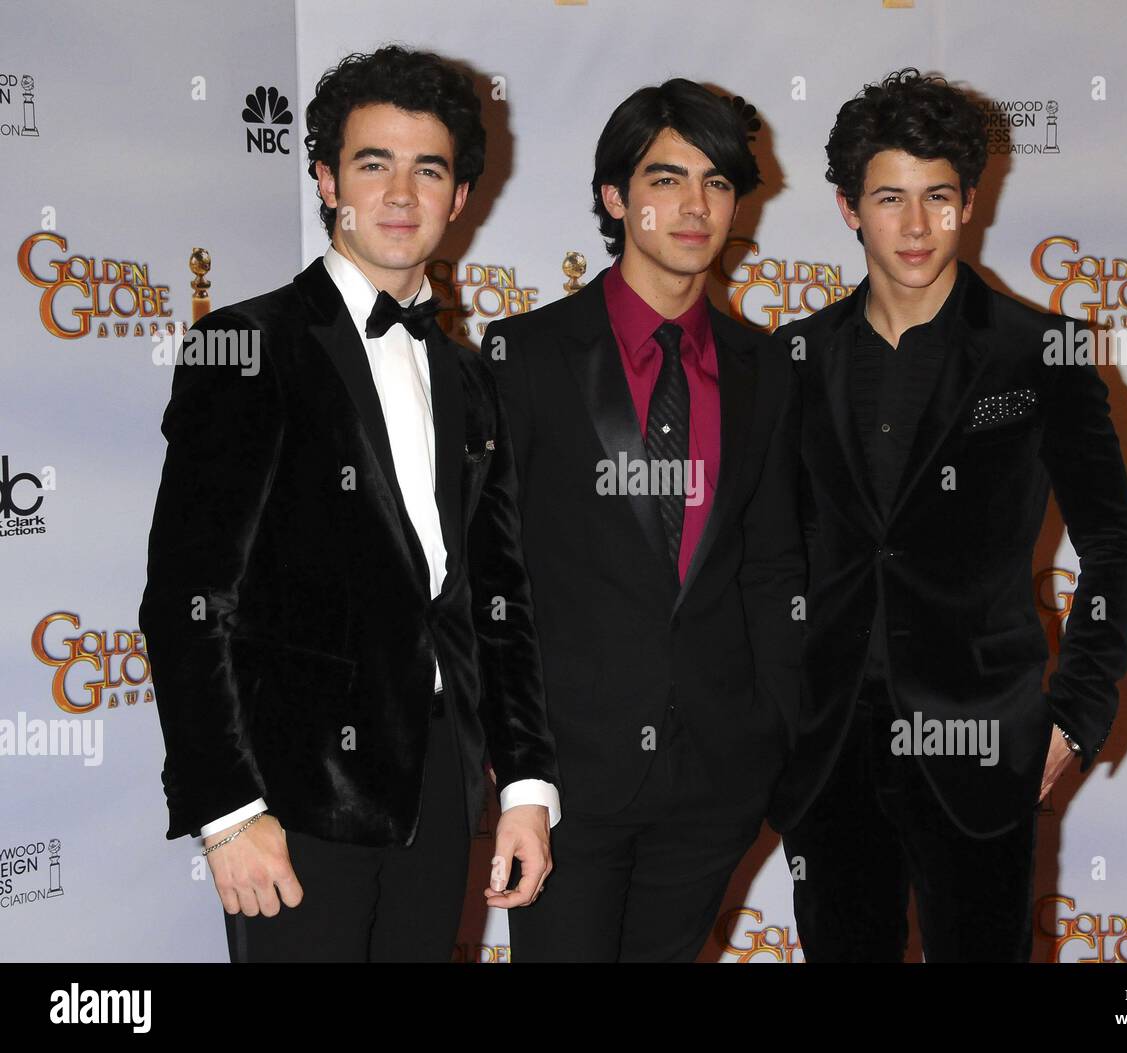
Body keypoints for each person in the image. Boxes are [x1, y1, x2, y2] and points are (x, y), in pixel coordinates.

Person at [139, 45, 559, 963]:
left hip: (441, 793)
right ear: (327, 179)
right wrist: (226, 810)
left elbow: (500, 598)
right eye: (373, 164)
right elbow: (187, 597)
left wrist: (525, 785)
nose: (401, 193)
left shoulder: (469, 377)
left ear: (460, 197)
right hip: (293, 803)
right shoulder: (246, 345)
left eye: (429, 169)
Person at [771, 68, 1127, 962]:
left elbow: (1114, 540)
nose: (914, 225)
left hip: (984, 738)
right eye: (889, 197)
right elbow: (769, 553)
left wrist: (1077, 713)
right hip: (829, 753)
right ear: (847, 208)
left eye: (937, 196)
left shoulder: (1039, 351)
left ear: (970, 202)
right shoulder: (792, 358)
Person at [483, 79, 804, 961]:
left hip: (714, 780)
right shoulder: (525, 358)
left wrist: (771, 729)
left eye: (717, 182)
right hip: (567, 782)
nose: (694, 206)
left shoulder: (766, 369)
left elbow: (774, 566)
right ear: (615, 196)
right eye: (666, 179)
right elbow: (493, 569)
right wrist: (518, 765)